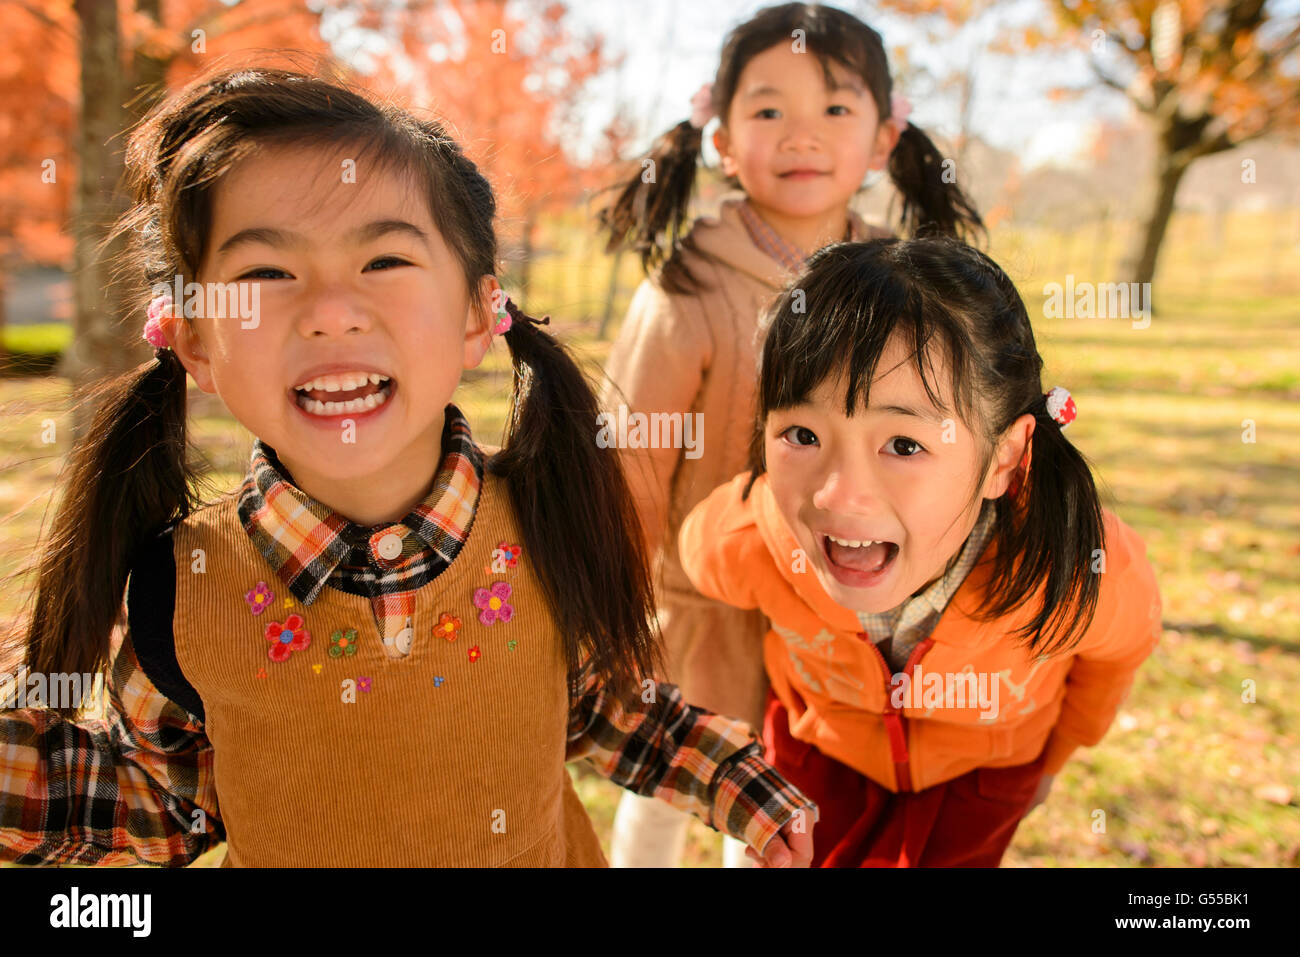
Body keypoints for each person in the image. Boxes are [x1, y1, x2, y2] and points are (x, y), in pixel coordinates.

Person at [0, 66, 817, 868]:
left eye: (384, 261)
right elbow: (164, 806)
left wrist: (738, 779)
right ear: (196, 341)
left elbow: (609, 709)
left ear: (477, 312)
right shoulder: (181, 591)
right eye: (265, 274)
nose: (330, 312)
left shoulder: (546, 522)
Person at [599, 1, 983, 867]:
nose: (802, 135)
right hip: (703, 604)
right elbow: (630, 457)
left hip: (835, 605)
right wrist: (616, 600)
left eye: (835, 110)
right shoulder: (689, 287)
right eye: (769, 110)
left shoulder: (903, 285)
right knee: (667, 791)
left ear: (884, 138)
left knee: (784, 803)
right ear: (724, 139)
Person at [678, 236, 1162, 867]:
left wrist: (1058, 756)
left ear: (1005, 458)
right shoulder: (750, 540)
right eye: (802, 434)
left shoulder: (1076, 566)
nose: (839, 496)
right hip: (821, 758)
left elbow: (1119, 652)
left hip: (983, 777)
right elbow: (697, 556)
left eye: (904, 445)